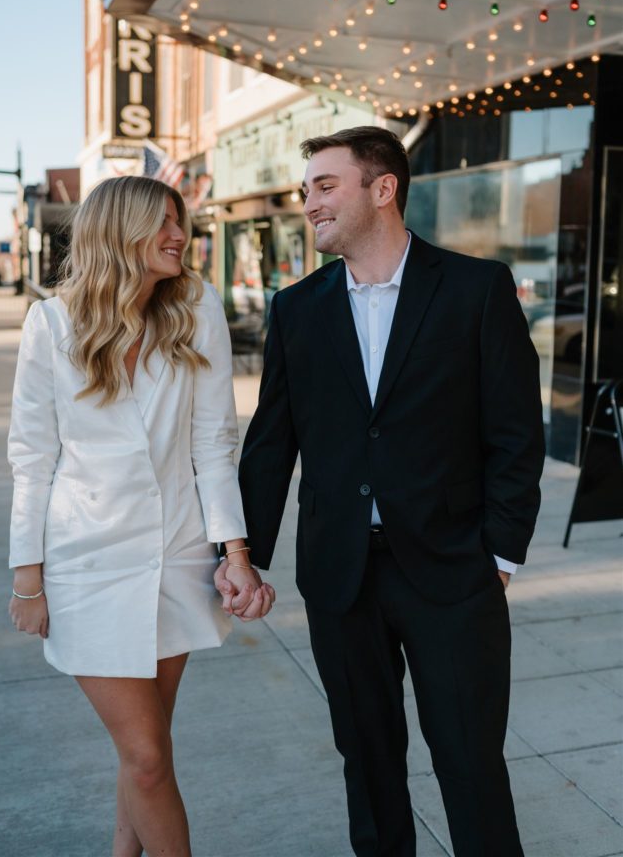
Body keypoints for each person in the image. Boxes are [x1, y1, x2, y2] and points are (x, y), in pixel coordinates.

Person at [216, 127, 545, 857]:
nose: (309, 203)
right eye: (306, 190)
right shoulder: (296, 308)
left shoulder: (474, 288)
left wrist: (500, 554)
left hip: (453, 572)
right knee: (366, 767)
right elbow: (272, 442)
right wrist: (244, 554)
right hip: (341, 578)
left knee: (470, 766)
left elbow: (517, 435)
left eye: (325, 185)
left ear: (382, 188)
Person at [8, 175, 273, 857]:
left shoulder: (195, 306)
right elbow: (32, 460)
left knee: (146, 751)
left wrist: (235, 556)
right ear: (115, 234)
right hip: (86, 564)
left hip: (177, 556)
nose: (179, 236)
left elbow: (214, 444)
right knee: (148, 755)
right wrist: (27, 580)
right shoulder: (51, 323)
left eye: (179, 222)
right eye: (160, 224)